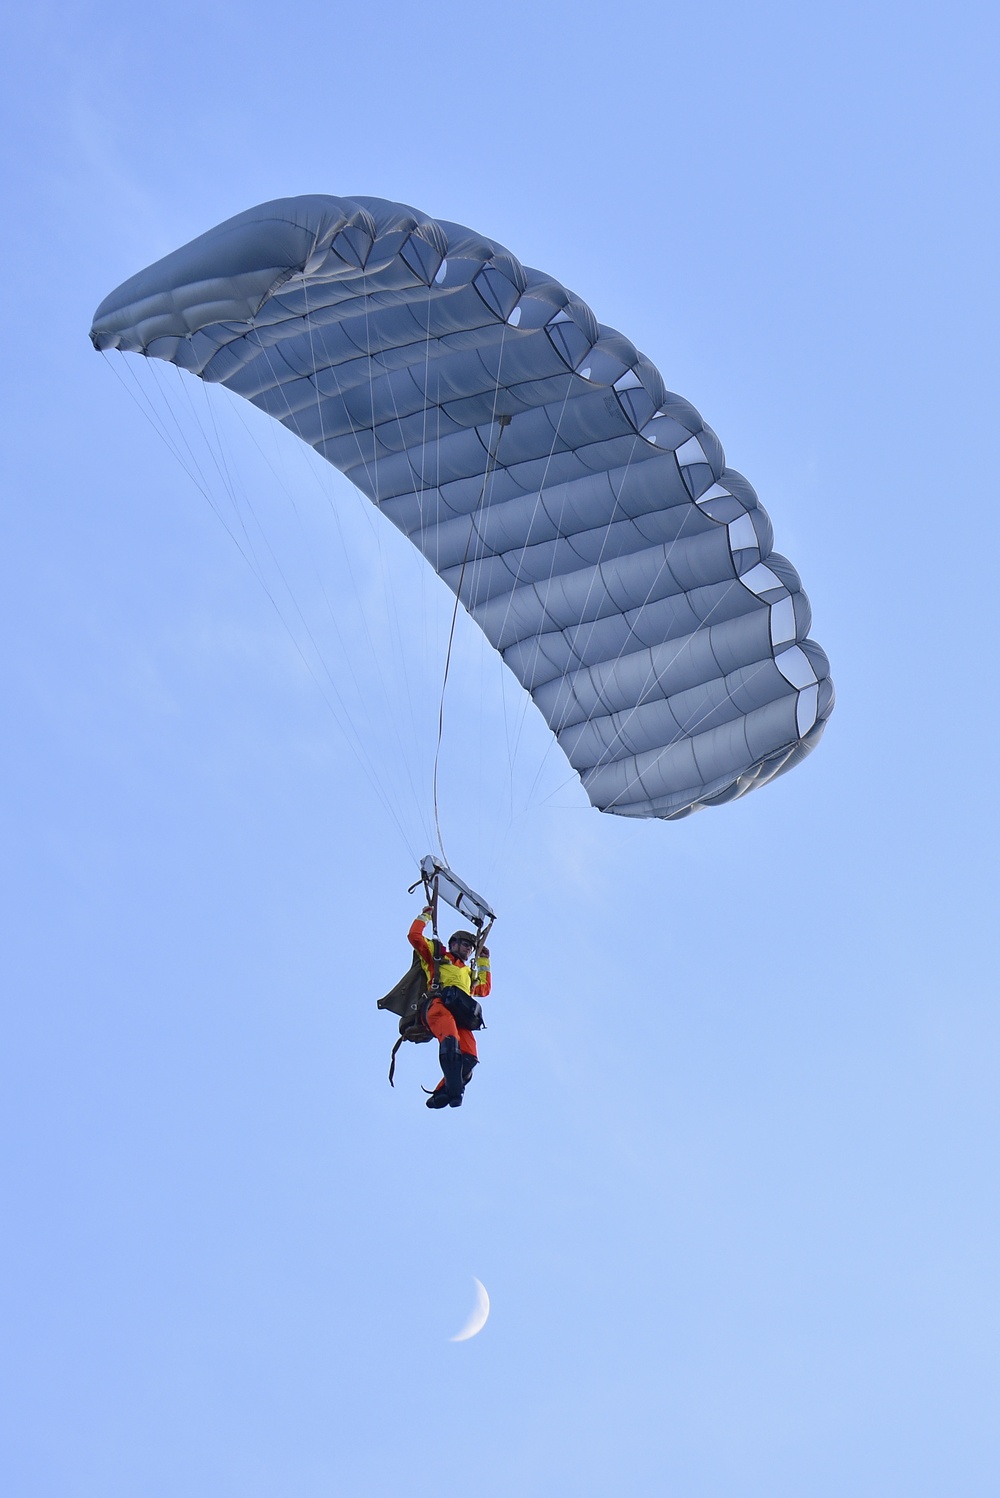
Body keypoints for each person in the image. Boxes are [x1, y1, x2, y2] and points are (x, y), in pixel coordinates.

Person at [408, 907, 491, 1109]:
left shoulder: (466, 973)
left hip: (460, 1011)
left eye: (471, 947)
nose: (467, 949)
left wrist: (483, 961)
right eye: (464, 945)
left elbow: (483, 988)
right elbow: (414, 936)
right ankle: (455, 1092)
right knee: (450, 1039)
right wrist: (425, 916)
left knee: (470, 1056)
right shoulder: (438, 956)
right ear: (453, 944)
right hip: (437, 1005)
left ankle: (441, 1093)